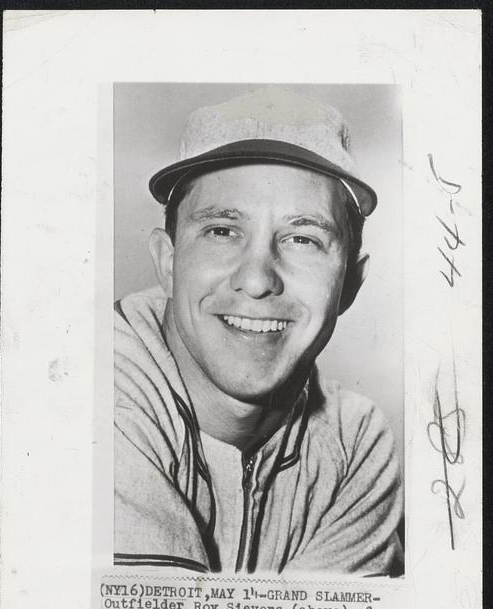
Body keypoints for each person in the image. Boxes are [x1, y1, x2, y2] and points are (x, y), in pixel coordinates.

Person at [114, 87, 403, 575]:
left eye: (302, 239)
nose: (256, 279)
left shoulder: (356, 444)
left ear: (350, 283)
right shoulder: (90, 389)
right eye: (222, 231)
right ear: (167, 262)